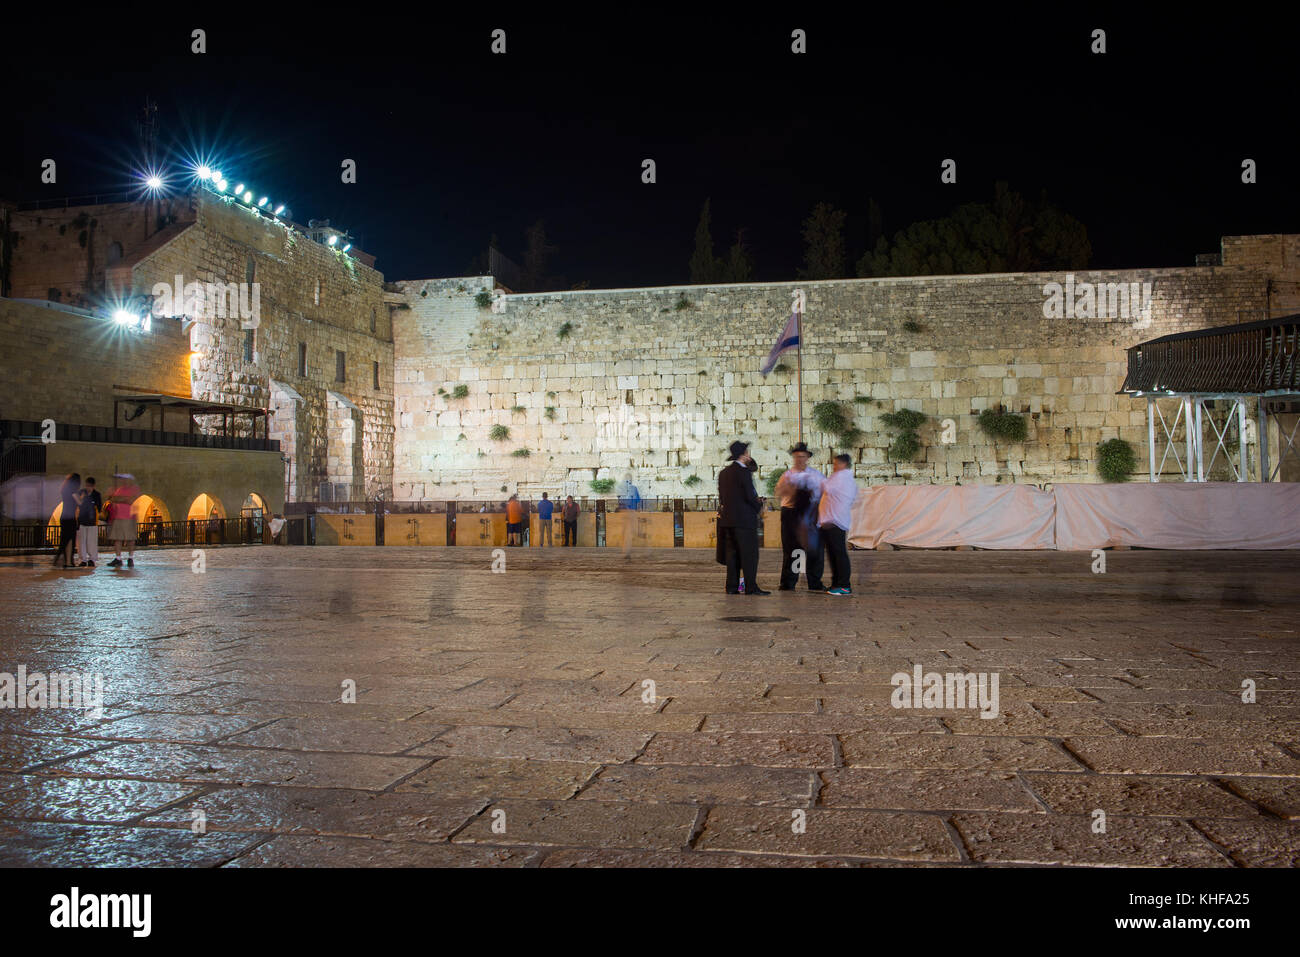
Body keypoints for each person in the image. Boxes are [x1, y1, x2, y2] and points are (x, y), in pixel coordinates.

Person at [717, 441, 769, 595]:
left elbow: (722, 498)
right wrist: (759, 507)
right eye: (747, 452)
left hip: (728, 521)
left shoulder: (723, 473)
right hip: (745, 522)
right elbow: (749, 495)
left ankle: (731, 587)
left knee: (732, 555)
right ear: (744, 454)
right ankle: (751, 587)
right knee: (749, 555)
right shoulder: (744, 472)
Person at [775, 442, 826, 592]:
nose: (800, 459)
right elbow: (779, 493)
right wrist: (790, 488)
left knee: (814, 549)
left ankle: (815, 582)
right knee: (791, 549)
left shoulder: (816, 475)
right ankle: (788, 582)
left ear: (807, 458)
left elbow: (825, 492)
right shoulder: (787, 476)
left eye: (802, 456)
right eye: (797, 457)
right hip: (791, 513)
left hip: (811, 512)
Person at [818, 453, 859, 596]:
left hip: (836, 521)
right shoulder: (842, 478)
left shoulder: (842, 477)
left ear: (844, 464)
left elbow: (825, 487)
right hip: (832, 521)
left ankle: (844, 585)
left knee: (839, 553)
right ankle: (836, 582)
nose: (834, 466)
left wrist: (810, 478)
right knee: (834, 554)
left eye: (836, 464)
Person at [105, 474, 140, 568]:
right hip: (119, 517)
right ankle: (118, 558)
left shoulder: (134, 488)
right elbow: (113, 500)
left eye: (126, 480)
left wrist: (119, 499)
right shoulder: (119, 489)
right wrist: (120, 498)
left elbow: (130, 500)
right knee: (118, 539)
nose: (123, 481)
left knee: (130, 539)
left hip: (129, 517)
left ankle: (130, 558)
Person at [54, 473, 80, 569]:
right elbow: (80, 503)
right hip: (70, 518)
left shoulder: (64, 490)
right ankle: (66, 560)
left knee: (66, 540)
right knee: (69, 540)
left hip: (64, 517)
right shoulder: (73, 492)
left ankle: (68, 561)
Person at [75, 476, 102, 567]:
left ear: (93, 486)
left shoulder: (97, 495)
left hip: (92, 521)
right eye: (87, 485)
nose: (88, 488)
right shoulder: (81, 493)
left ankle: (92, 559)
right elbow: (77, 504)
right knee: (81, 542)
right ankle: (82, 559)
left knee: (92, 542)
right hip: (82, 521)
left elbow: (99, 507)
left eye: (90, 486)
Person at [617, 472, 641, 559]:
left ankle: (625, 550)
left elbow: (619, 501)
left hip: (624, 512)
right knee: (629, 532)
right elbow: (638, 501)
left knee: (625, 532)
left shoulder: (621, 488)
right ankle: (627, 551)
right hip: (631, 512)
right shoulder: (634, 488)